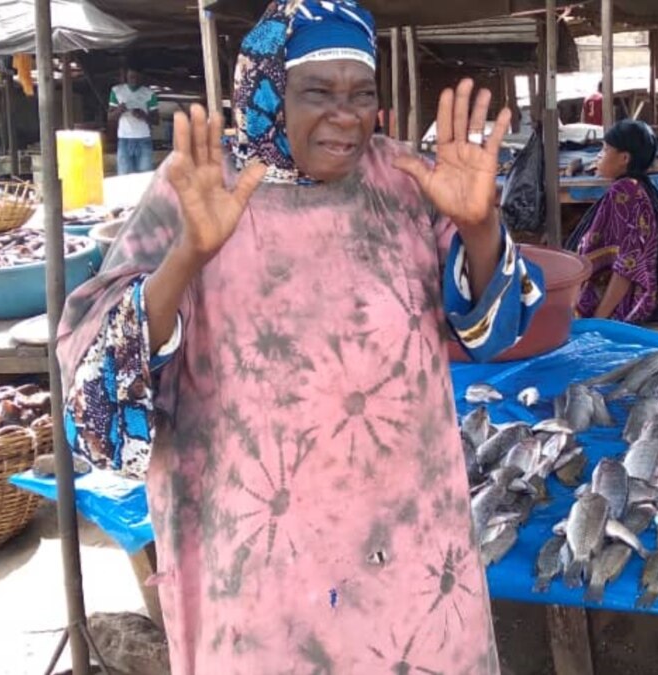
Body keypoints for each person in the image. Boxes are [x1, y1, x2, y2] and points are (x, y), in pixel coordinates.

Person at [57, 1, 544, 672]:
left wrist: (480, 226)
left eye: (362, 94)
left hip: (407, 550)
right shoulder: (199, 188)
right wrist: (188, 256)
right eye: (318, 92)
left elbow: (493, 330)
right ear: (267, 91)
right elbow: (97, 400)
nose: (347, 116)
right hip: (260, 562)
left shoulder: (404, 183)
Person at [565, 119, 658, 324]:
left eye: (605, 149)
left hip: (620, 313)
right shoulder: (645, 188)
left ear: (624, 158)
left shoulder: (625, 192)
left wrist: (599, 320)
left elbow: (627, 265)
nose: (599, 156)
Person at [109, 62, 160, 175]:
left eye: (137, 77)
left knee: (145, 177)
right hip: (124, 140)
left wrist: (144, 116)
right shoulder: (116, 91)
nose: (134, 80)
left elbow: (156, 120)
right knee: (124, 177)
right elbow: (110, 117)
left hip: (144, 140)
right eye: (132, 77)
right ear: (126, 76)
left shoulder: (149, 93)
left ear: (142, 78)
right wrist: (119, 110)